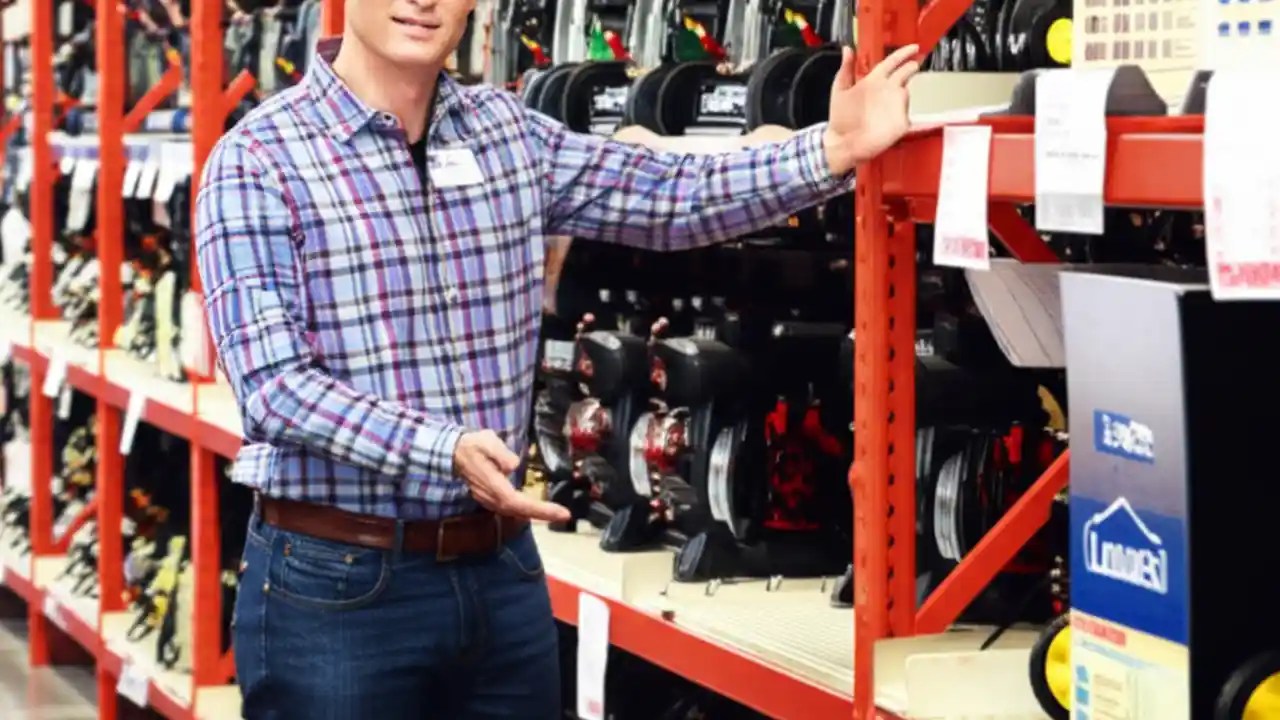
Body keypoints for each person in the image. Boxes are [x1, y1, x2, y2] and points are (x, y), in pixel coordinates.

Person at [194, 0, 920, 717]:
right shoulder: (260, 159)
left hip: (500, 572)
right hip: (338, 585)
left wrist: (833, 147)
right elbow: (273, 387)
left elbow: (670, 195)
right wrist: (441, 449)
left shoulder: (506, 135)